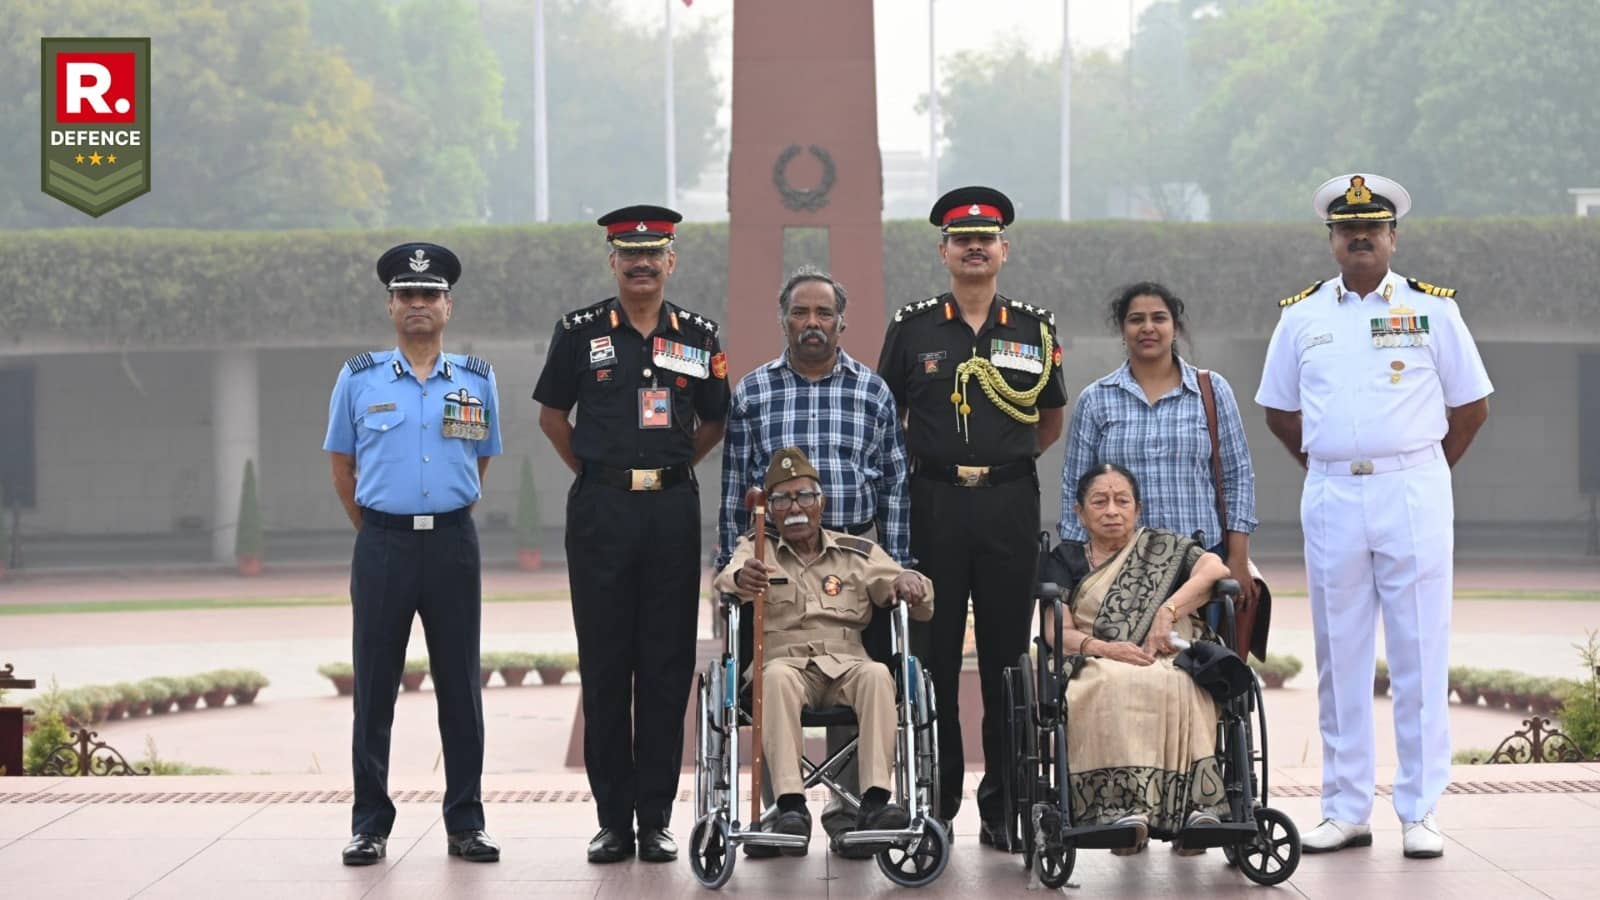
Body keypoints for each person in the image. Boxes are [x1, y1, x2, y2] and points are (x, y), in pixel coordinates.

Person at [1256, 173, 1492, 859]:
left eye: (1373, 227)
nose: (1360, 237)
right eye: (1347, 228)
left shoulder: (1432, 311)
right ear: (1331, 239)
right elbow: (1278, 410)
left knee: (1420, 651)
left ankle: (1419, 811)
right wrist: (1331, 464)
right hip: (1332, 491)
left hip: (1412, 486)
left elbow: (1471, 405)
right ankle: (1345, 807)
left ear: (1392, 237)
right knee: (1340, 653)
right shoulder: (1301, 317)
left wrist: (1422, 469)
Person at [534, 205, 729, 864]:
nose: (641, 265)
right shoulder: (579, 331)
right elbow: (553, 417)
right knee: (607, 668)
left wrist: (665, 469)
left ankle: (656, 819)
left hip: (672, 512)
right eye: (629, 255)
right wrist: (602, 474)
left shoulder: (698, 336)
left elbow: (712, 422)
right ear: (612, 262)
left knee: (668, 668)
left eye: (654, 254)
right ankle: (612, 820)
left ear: (671, 262)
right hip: (602, 515)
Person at [876, 186, 1068, 846]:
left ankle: (1006, 804)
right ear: (944, 252)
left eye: (987, 238)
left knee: (1006, 659)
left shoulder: (1036, 329)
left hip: (1009, 505)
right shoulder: (913, 327)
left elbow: (1049, 418)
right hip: (935, 505)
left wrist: (998, 462)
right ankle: (937, 800)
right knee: (931, 658)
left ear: (1004, 250)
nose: (975, 247)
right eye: (963, 239)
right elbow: (888, 417)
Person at [717, 265, 912, 856]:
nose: (811, 324)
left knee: (867, 676)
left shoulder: (872, 390)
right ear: (784, 321)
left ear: (841, 322)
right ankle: (786, 810)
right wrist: (738, 566)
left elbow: (896, 483)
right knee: (778, 676)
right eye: (800, 313)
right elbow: (734, 493)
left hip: (853, 556)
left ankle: (856, 814)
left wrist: (898, 566)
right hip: (772, 555)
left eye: (822, 313)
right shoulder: (753, 392)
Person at [324, 242, 503, 866]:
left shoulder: (477, 379)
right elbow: (342, 465)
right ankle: (369, 822)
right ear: (390, 305)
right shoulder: (358, 377)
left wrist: (442, 514)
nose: (418, 304)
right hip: (382, 545)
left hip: (453, 543)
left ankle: (466, 823)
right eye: (407, 295)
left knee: (461, 688)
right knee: (374, 688)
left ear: (447, 306)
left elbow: (479, 461)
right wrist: (378, 525)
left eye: (429, 295)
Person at [712, 447, 934, 852]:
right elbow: (727, 580)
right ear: (771, 509)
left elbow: (904, 586)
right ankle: (791, 807)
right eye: (781, 499)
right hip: (784, 662)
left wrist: (910, 582)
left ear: (821, 503)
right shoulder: (757, 547)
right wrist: (743, 577)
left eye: (804, 497)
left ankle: (875, 802)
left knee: (879, 675)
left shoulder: (856, 552)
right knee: (774, 678)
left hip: (847, 664)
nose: (794, 507)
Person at [1041, 463, 1230, 854]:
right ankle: (1121, 808)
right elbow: (1055, 630)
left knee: (1185, 680)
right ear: (1080, 512)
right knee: (1113, 681)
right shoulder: (1066, 559)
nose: (1112, 510)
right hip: (1097, 658)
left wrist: (1169, 610)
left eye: (1121, 501)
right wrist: (1108, 648)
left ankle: (1195, 809)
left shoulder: (1162, 547)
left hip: (1163, 652)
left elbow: (1215, 567)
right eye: (1100, 501)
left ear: (1137, 509)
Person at [1058, 282, 1259, 606]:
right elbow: (1075, 485)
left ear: (1175, 327)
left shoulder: (1211, 391)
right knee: (1124, 657)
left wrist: (1237, 559)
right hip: (1117, 567)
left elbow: (1238, 477)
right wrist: (1077, 566)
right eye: (1136, 319)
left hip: (1201, 564)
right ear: (1122, 329)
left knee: (1203, 655)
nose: (1148, 328)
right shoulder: (1096, 399)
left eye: (1159, 318)